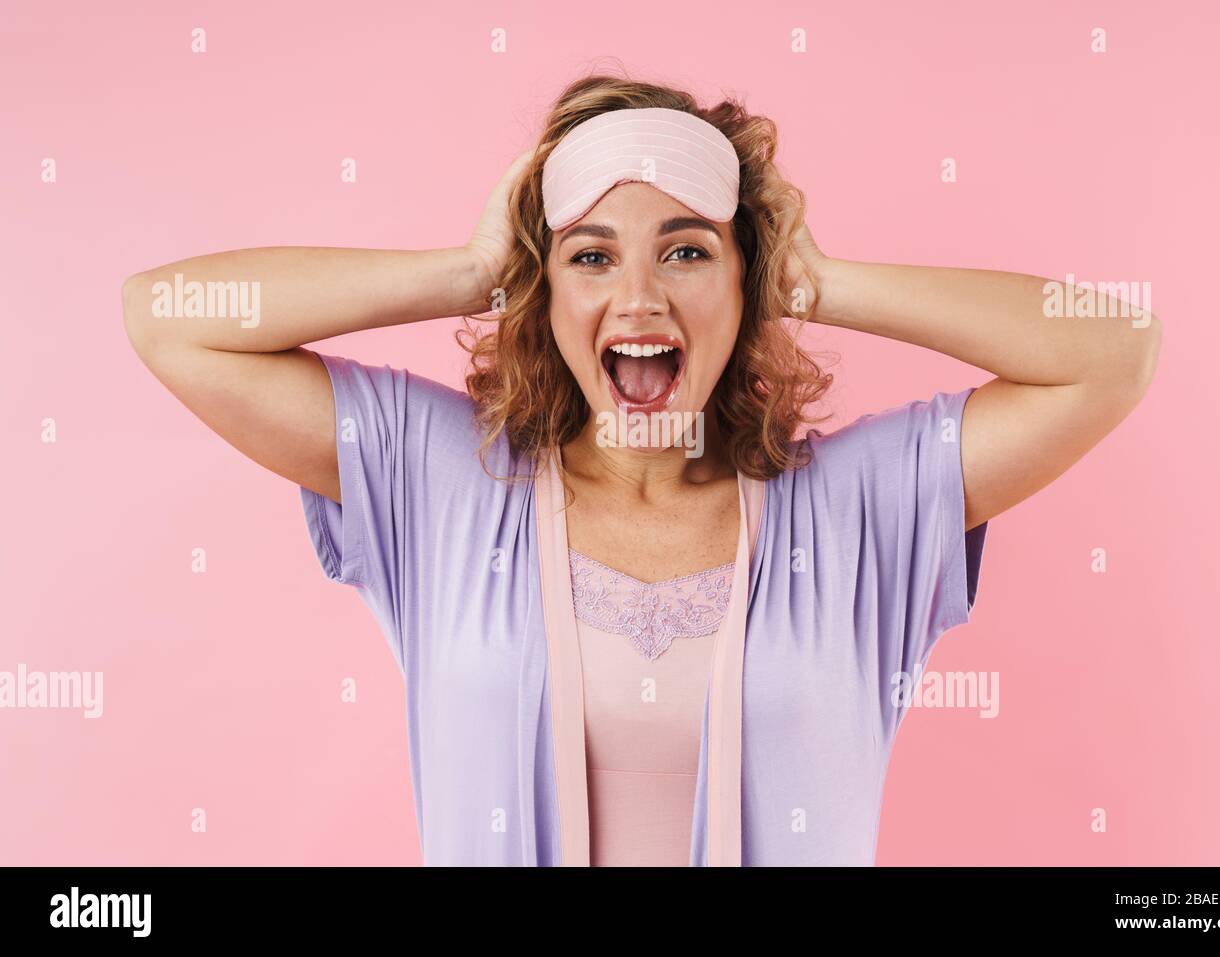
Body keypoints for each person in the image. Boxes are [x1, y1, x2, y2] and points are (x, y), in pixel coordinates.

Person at [121, 74, 1161, 866]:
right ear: (545, 288)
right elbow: (168, 321)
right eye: (590, 255)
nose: (639, 297)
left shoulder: (855, 511)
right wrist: (469, 272)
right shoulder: (437, 478)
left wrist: (823, 280)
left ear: (748, 281)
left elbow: (1112, 354)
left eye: (687, 250)